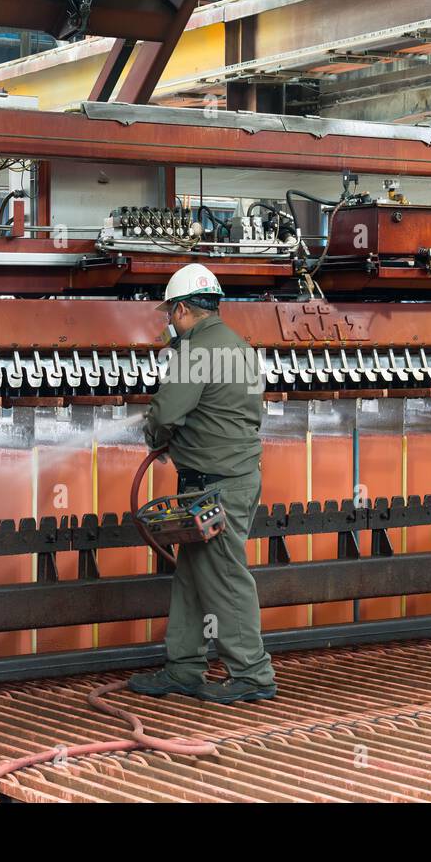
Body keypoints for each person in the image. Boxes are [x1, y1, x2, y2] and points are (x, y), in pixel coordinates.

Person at [127, 264, 277, 703]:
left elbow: (167, 413)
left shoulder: (194, 352)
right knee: (192, 575)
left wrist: (154, 434)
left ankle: (252, 673)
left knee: (226, 577)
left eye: (170, 314)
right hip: (229, 479)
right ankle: (184, 668)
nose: (169, 322)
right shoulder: (240, 348)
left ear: (181, 309)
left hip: (217, 486)